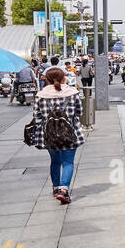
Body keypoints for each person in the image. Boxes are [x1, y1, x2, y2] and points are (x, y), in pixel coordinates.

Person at [31, 66, 85, 203]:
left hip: (50, 135)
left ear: (47, 80)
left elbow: (37, 115)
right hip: (70, 133)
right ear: (63, 78)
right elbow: (79, 112)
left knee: (55, 161)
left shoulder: (40, 95)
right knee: (68, 162)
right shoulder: (72, 92)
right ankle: (64, 189)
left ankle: (56, 187)